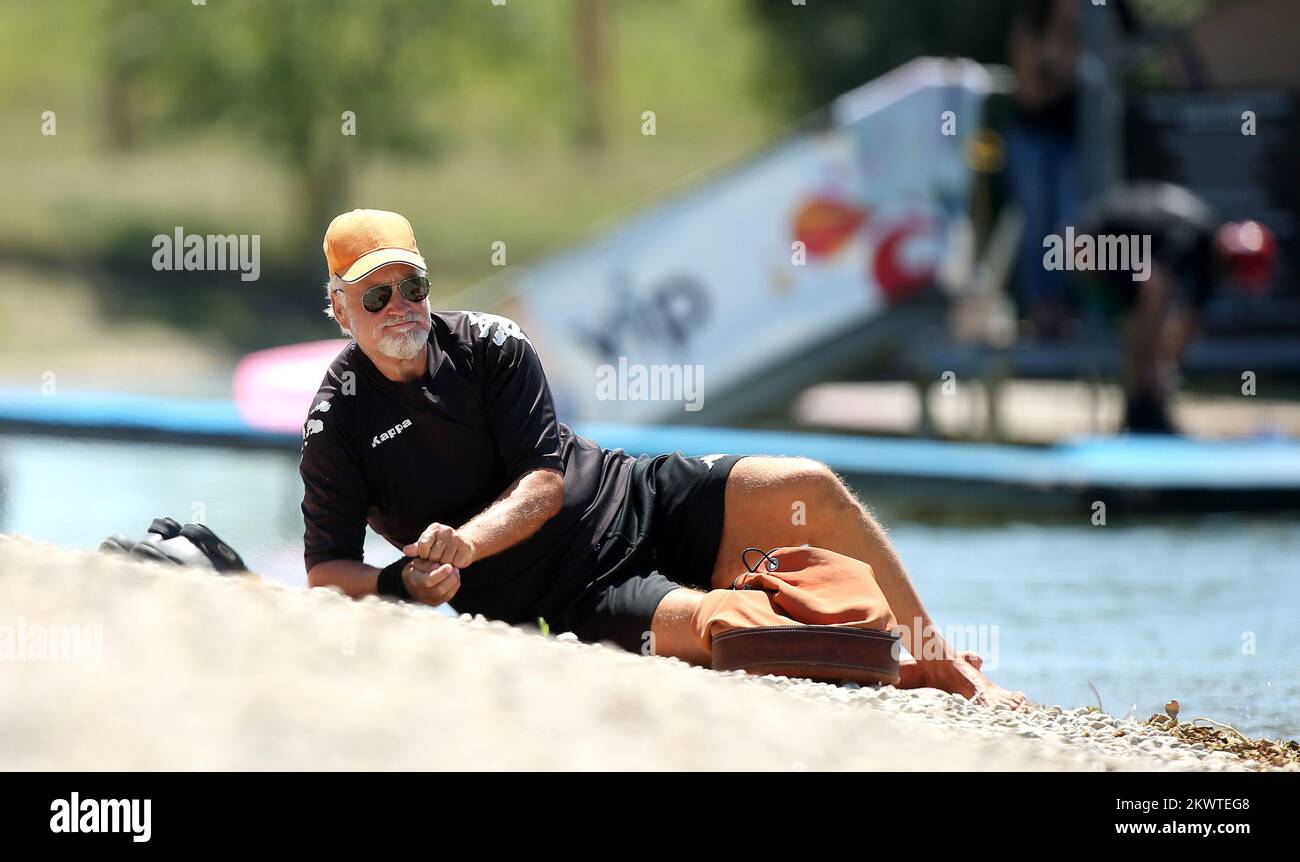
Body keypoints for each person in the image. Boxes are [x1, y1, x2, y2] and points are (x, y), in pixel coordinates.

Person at [300, 209, 1026, 708]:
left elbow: (544, 486)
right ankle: (835, 631)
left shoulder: (493, 345)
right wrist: (402, 584)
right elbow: (326, 571)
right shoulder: (336, 424)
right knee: (727, 632)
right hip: (571, 600)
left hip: (633, 497)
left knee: (809, 482)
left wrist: (464, 544)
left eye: (414, 286)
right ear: (339, 309)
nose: (401, 306)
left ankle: (938, 658)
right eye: (376, 295)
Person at [1074, 182, 1277, 433]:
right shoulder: (1195, 235)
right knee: (1148, 320)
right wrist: (1157, 364)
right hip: (1090, 243)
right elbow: (1157, 290)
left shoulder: (1210, 260)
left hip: (1114, 250)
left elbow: (1191, 323)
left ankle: (1146, 404)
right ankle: (1142, 404)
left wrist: (1171, 365)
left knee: (1154, 325)